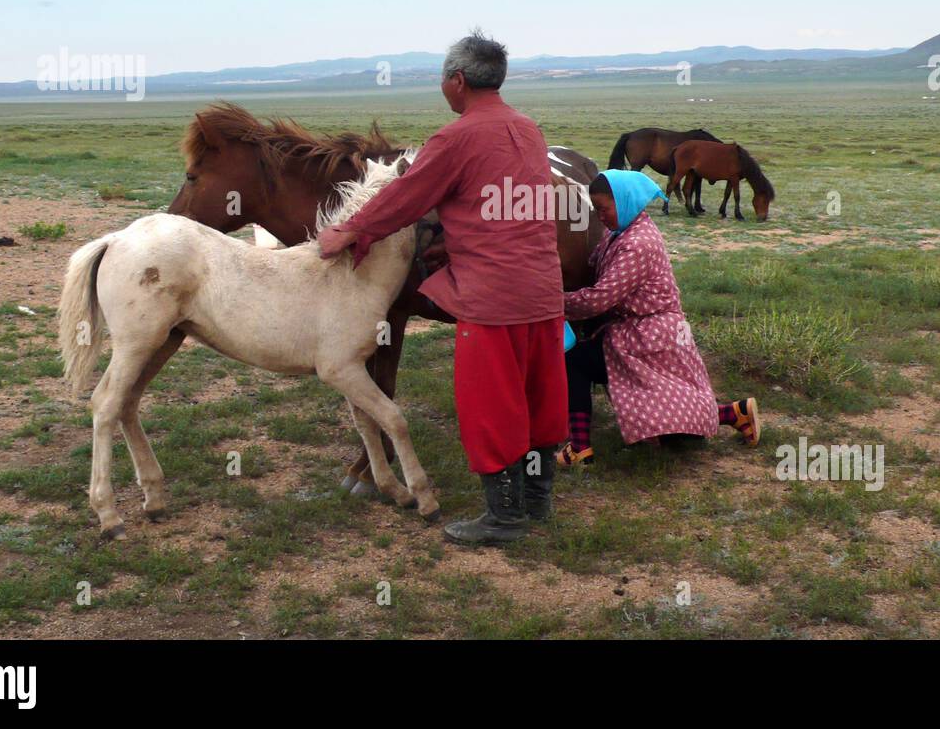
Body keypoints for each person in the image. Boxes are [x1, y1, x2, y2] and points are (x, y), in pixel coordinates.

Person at [318, 29, 566, 545]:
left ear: (456, 81)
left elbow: (407, 196)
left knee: (491, 404)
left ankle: (504, 518)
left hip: (492, 297)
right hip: (543, 289)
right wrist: (456, 243)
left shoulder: (455, 138)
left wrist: (352, 229)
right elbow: (513, 208)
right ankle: (538, 501)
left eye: (441, 78)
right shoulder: (530, 130)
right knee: (540, 396)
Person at [560, 170, 760, 465]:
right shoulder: (620, 233)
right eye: (596, 209)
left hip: (650, 337)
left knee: (575, 360)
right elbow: (594, 264)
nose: (600, 216)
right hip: (646, 331)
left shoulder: (636, 244)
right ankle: (734, 413)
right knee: (668, 410)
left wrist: (554, 302)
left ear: (626, 201)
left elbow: (601, 298)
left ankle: (579, 447)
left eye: (604, 208)